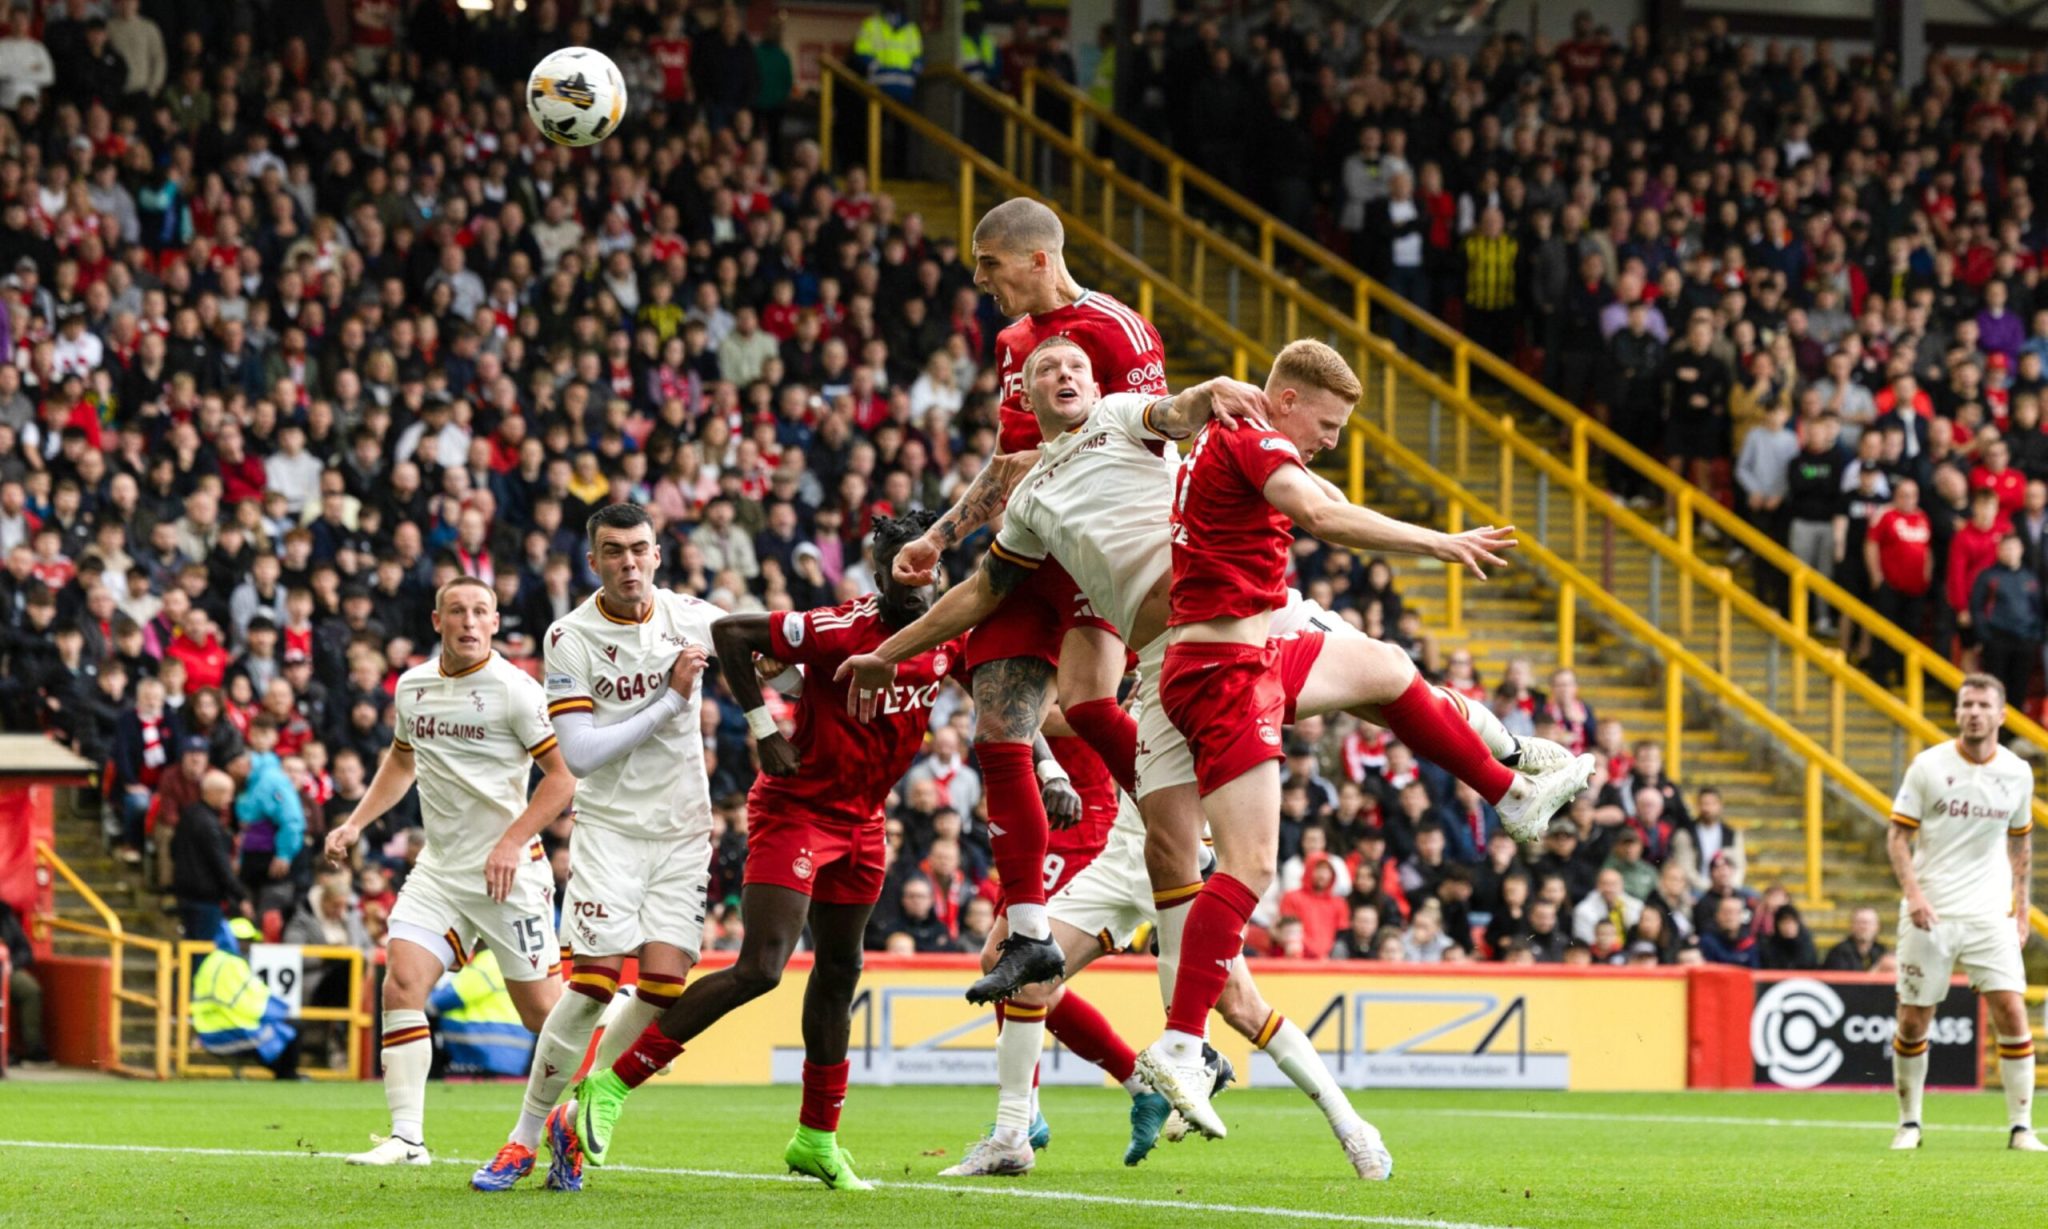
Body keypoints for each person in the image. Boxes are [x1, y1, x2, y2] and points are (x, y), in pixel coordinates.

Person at [845, 346, 1486, 1178]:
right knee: (1022, 969)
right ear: (1023, 394)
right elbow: (980, 594)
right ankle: (1024, 1127)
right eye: (1048, 371)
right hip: (1165, 729)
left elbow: (1182, 411)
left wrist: (1221, 393)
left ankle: (1342, 1118)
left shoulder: (1122, 418)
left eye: (1078, 364)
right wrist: (888, 652)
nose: (1068, 376)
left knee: (1378, 679)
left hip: (1226, 629)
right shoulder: (1032, 501)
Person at [1144, 338, 1589, 1137]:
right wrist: (1438, 542)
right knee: (1245, 867)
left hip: (1247, 653)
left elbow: (1309, 490)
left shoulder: (1236, 434)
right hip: (1222, 672)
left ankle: (1511, 791)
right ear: (1285, 400)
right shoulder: (1254, 435)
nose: (1331, 439)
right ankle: (1182, 1045)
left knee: (1385, 666)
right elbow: (1319, 513)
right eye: (1328, 423)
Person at [555, 512, 962, 1190]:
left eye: (930, 564)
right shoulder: (838, 625)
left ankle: (816, 1137)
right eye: (904, 564)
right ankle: (610, 1085)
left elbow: (994, 694)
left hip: (864, 821)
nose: (920, 578)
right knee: (763, 967)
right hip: (797, 809)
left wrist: (1046, 763)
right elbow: (731, 633)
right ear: (877, 567)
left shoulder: (950, 630)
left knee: (840, 971)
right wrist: (762, 721)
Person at [884, 198, 1167, 1006]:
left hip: (1103, 553)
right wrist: (940, 538)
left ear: (1038, 260)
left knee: (1086, 702)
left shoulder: (1119, 331)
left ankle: (1182, 827)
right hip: (1029, 547)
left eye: (989, 262)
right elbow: (1008, 462)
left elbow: (1154, 446)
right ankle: (1032, 934)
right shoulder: (1013, 344)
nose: (980, 280)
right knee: (998, 729)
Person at [472, 503, 719, 1192]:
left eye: (640, 549)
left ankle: (575, 1116)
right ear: (594, 561)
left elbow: (779, 661)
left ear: (659, 554)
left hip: (683, 830)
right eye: (614, 551)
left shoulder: (692, 616)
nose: (630, 563)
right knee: (593, 981)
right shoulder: (570, 635)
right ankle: (522, 1136)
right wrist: (673, 700)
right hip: (610, 826)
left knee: (666, 988)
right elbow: (577, 752)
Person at [320, 576, 575, 1168]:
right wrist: (356, 823)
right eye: (456, 611)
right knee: (402, 980)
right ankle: (407, 1138)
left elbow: (562, 779)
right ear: (437, 621)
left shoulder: (516, 690)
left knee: (546, 1014)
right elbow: (401, 760)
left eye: (480, 611)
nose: (468, 621)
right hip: (441, 869)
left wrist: (512, 842)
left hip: (509, 875)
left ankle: (630, 1015)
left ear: (494, 621)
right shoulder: (412, 687)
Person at [1886, 674, 2044, 1152]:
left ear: (2000, 715)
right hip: (1930, 911)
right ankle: (1909, 1123)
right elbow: (1897, 836)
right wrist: (1913, 895)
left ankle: (2022, 1128)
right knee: (1914, 1019)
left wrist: (2022, 906)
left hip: (1989, 912)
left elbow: (2021, 840)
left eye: (1982, 705)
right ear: (1957, 714)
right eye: (1966, 704)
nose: (1973, 712)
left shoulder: (2017, 772)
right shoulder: (1929, 766)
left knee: (2012, 1011)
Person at [1, 898, 44, 1063]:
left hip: (6, 971)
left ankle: (34, 1051)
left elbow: (25, 951)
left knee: (30, 990)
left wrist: (11, 964)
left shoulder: (4, 914)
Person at [1823, 905, 1889, 972]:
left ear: (1878, 926)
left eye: (1869, 923)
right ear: (1851, 925)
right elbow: (1841, 981)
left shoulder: (1882, 951)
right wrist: (1876, 969)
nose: (1864, 927)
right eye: (1859, 922)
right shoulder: (1838, 952)